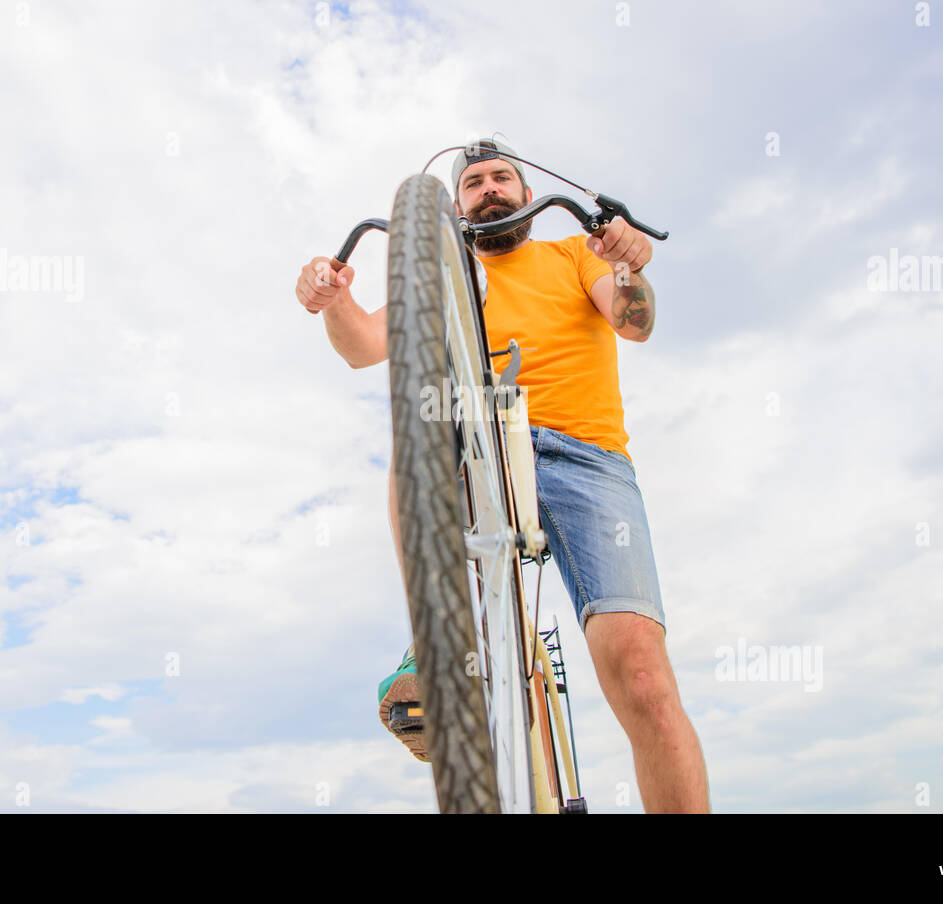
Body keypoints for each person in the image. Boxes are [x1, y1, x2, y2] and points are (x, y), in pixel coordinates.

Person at [293, 139, 710, 813]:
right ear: (456, 206)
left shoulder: (574, 254)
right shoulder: (440, 280)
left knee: (641, 675)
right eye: (474, 182)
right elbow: (364, 348)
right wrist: (335, 299)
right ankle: (435, 642)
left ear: (526, 196)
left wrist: (627, 265)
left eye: (502, 178)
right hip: (476, 444)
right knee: (420, 423)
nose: (489, 188)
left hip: (587, 457)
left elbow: (636, 325)